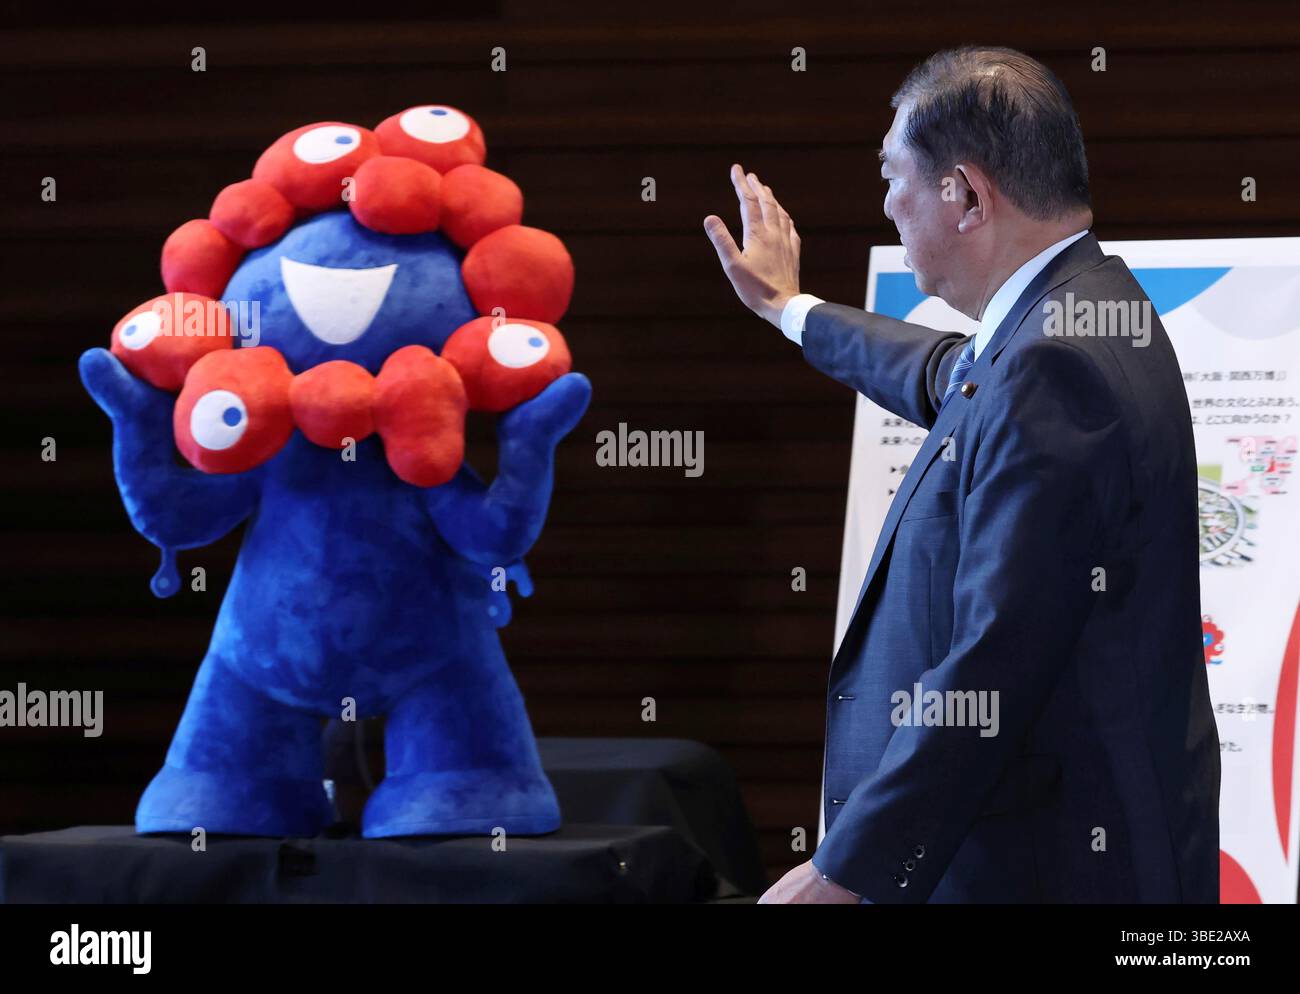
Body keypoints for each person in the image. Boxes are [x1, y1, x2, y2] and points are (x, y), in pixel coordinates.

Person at [704, 46, 1220, 904]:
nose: (887, 207)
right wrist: (788, 309)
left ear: (968, 195)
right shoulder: (1085, 308)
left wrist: (842, 871)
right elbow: (944, 372)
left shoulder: (1055, 363)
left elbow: (993, 664)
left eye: (892, 178)